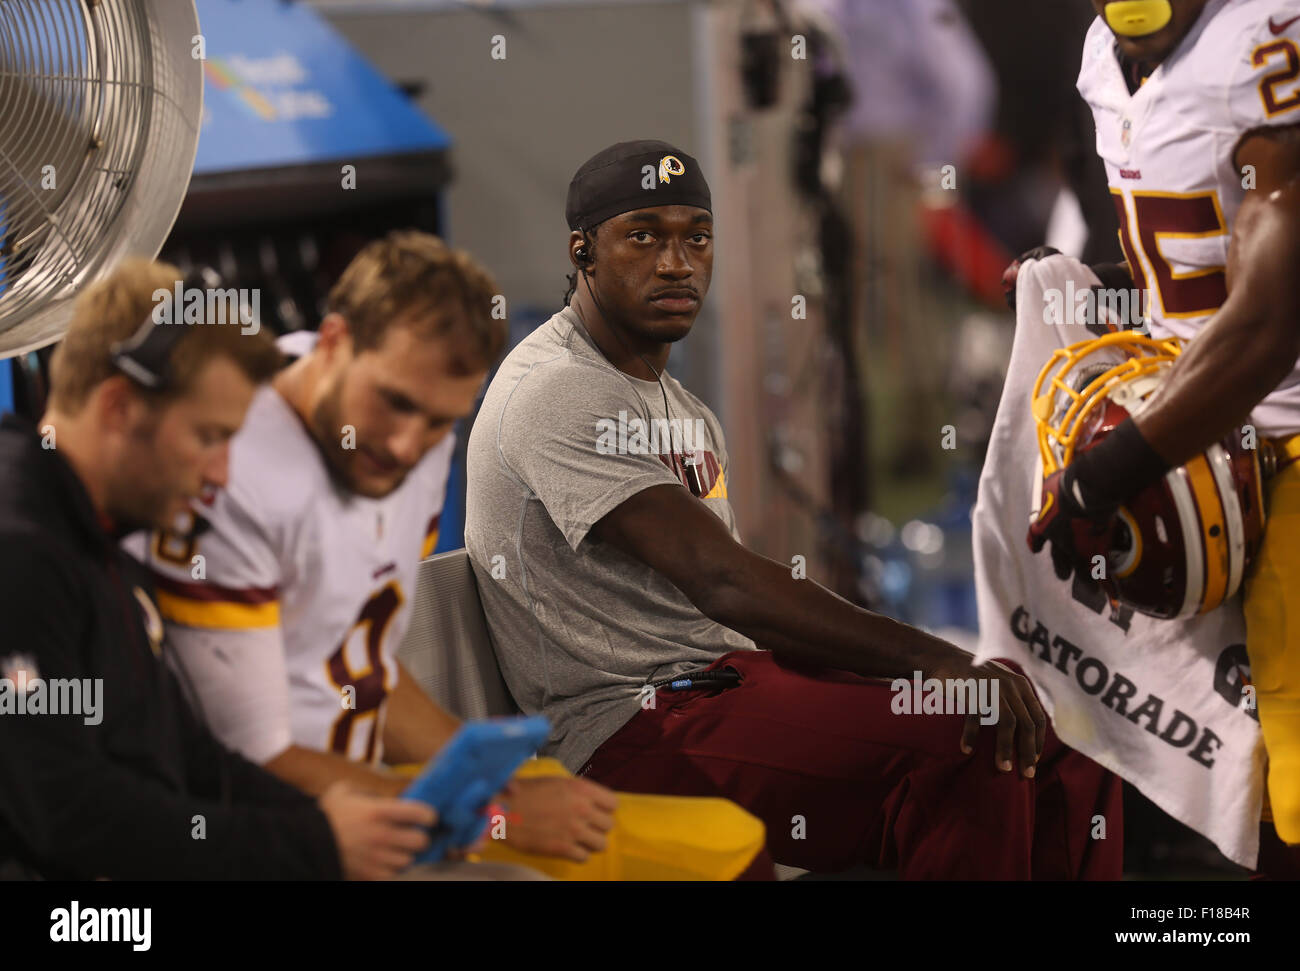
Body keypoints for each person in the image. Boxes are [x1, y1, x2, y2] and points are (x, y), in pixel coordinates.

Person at [464, 139, 1123, 879]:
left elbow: (729, 610)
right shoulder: (559, 386)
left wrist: (927, 667)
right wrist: (931, 658)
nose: (677, 261)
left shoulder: (677, 405)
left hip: (729, 683)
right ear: (583, 251)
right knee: (969, 741)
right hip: (628, 729)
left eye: (696, 237)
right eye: (643, 235)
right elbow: (724, 581)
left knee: (1062, 727)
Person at [129, 232, 620, 873]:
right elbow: (243, 761)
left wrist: (503, 787)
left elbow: (362, 670)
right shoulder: (231, 469)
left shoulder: (408, 437)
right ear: (334, 340)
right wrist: (501, 817)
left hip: (356, 826)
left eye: (441, 419)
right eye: (393, 403)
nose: (406, 443)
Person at [0, 258, 436, 880]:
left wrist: (367, 821)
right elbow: (65, 811)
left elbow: (193, 761)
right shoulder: (21, 553)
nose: (221, 476)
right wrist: (313, 842)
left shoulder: (98, 537)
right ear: (120, 406)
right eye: (208, 436)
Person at [1013, 0, 1300, 862]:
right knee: (1226, 763)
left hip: (1284, 436)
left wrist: (1107, 475)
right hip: (1214, 447)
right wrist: (1089, 285)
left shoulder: (1263, 46)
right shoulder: (1108, 54)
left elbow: (1267, 321)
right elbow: (1198, 262)